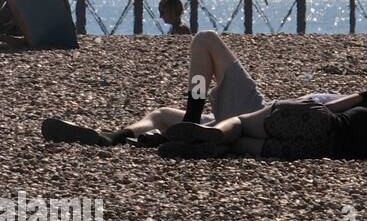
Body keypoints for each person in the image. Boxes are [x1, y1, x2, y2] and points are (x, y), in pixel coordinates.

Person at [43, 29, 272, 147]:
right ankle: (114, 137)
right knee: (161, 114)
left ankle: (189, 126)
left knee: (205, 39)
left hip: (257, 114)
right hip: (235, 123)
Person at [159, 90, 367, 160]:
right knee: (243, 146)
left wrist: (302, 105)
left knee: (241, 123)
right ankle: (211, 149)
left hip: (315, 121)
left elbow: (329, 108)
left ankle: (215, 133)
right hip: (317, 151)